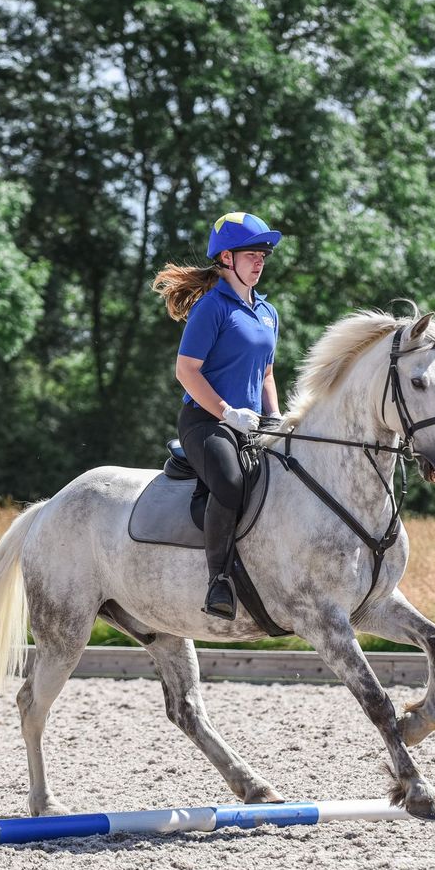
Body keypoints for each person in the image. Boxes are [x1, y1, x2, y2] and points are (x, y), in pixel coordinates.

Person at [152, 211, 284, 620]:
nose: (260, 261)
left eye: (263, 254)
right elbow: (186, 370)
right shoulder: (212, 308)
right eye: (251, 254)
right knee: (230, 482)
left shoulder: (267, 312)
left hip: (253, 426)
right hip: (207, 422)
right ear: (226, 258)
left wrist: (275, 416)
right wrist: (227, 412)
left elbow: (266, 372)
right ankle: (219, 581)